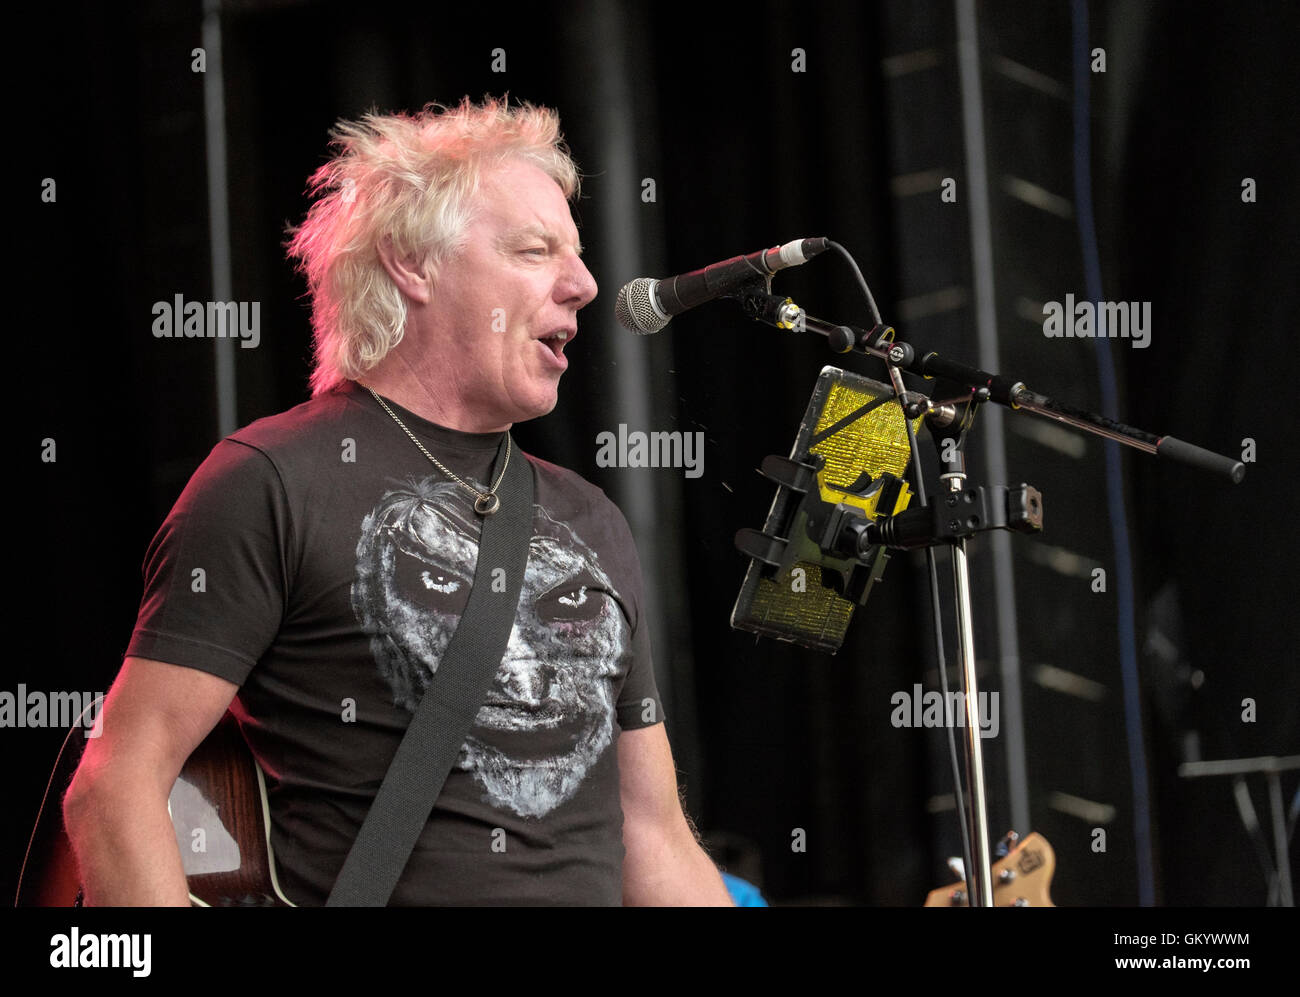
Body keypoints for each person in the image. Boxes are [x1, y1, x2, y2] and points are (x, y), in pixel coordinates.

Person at [63, 97, 734, 906]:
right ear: (413, 262)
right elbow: (115, 785)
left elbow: (653, 835)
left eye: (579, 255)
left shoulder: (590, 516)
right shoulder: (271, 480)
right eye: (534, 250)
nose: (586, 285)